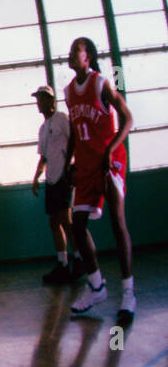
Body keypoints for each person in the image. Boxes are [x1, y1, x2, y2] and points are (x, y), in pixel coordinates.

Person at [64, 37, 136, 319]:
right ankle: (96, 286)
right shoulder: (69, 92)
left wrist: (110, 149)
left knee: (118, 221)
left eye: (75, 51)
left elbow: (128, 118)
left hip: (110, 161)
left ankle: (128, 293)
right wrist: (71, 161)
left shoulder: (100, 83)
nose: (70, 55)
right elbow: (73, 130)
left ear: (89, 57)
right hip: (85, 165)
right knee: (76, 224)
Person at [30, 85, 75, 284]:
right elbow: (44, 157)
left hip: (64, 178)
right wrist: (36, 176)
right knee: (54, 222)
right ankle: (63, 264)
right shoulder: (42, 129)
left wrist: (69, 167)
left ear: (51, 101)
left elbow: (74, 141)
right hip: (51, 180)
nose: (39, 103)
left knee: (66, 219)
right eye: (38, 99)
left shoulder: (62, 119)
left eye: (42, 98)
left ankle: (81, 259)